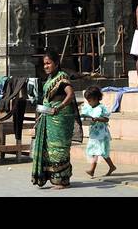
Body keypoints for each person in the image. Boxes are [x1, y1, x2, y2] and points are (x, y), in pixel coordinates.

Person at [32, 51, 76, 189]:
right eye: (44, 63)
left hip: (60, 118)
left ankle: (63, 180)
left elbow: (70, 94)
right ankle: (53, 178)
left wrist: (60, 107)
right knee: (50, 150)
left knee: (59, 148)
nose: (46, 66)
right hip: (49, 117)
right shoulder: (50, 79)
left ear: (56, 64)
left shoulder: (62, 77)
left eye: (48, 63)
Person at [79, 86, 116, 178]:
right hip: (93, 134)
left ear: (96, 99)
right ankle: (112, 166)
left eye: (90, 100)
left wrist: (98, 119)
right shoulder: (88, 108)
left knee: (97, 151)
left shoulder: (101, 108)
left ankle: (92, 170)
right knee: (100, 151)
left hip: (101, 133)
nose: (89, 102)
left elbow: (106, 119)